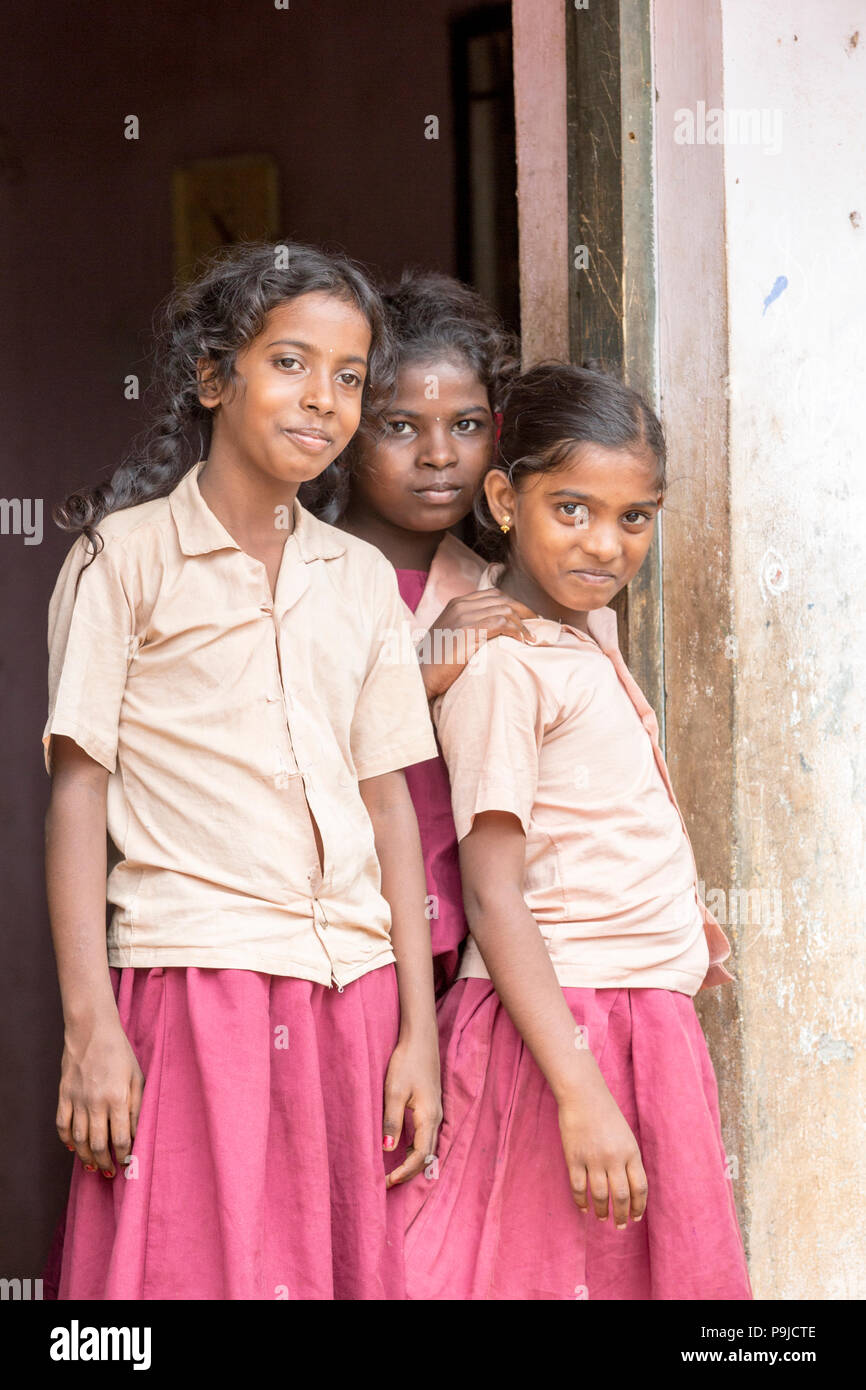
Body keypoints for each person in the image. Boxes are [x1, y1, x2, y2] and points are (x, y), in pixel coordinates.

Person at [42, 241, 441, 1300]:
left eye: (349, 377)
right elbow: (79, 794)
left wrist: (417, 1032)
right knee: (185, 1272)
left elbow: (386, 804)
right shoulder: (120, 560)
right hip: (194, 982)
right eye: (290, 363)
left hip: (346, 998)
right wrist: (91, 1028)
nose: (323, 399)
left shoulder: (359, 582)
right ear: (214, 377)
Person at [403, 363, 753, 1300]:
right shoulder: (503, 667)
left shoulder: (586, 634)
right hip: (554, 1029)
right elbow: (492, 891)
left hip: (639, 1016)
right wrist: (580, 1088)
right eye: (572, 510)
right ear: (504, 499)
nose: (605, 543)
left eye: (634, 516)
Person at [304, 272, 533, 992]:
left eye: (465, 425)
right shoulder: (298, 577)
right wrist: (421, 667)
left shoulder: (499, 588)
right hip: (343, 945)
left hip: (475, 955)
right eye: (401, 426)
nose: (439, 455)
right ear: (345, 431)